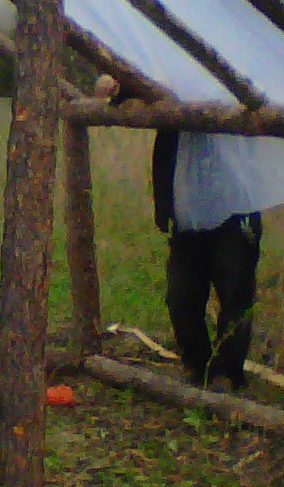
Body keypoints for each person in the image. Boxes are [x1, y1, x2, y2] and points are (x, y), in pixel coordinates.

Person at [96, 74, 262, 391]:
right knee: (181, 298)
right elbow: (143, 84)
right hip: (187, 214)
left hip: (235, 209)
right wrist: (116, 85)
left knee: (235, 294)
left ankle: (226, 374)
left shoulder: (235, 73)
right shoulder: (170, 71)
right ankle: (198, 368)